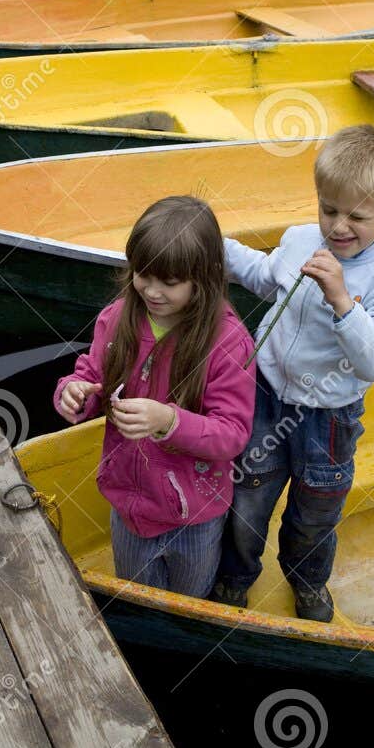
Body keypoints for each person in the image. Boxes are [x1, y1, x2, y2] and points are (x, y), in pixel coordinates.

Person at [211, 125, 374, 621]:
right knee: (247, 490)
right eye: (329, 209)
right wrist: (214, 245)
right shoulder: (301, 239)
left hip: (328, 416)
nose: (339, 226)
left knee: (317, 508)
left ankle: (307, 582)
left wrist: (344, 303)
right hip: (265, 393)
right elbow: (265, 278)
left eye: (357, 216)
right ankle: (235, 577)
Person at [54, 195, 255, 597]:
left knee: (188, 601)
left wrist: (169, 421)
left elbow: (232, 434)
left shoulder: (229, 342)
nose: (151, 290)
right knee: (139, 598)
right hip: (128, 506)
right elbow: (92, 374)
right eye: (143, 274)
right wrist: (74, 393)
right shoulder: (116, 318)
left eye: (169, 281)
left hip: (194, 515)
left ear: (205, 277)